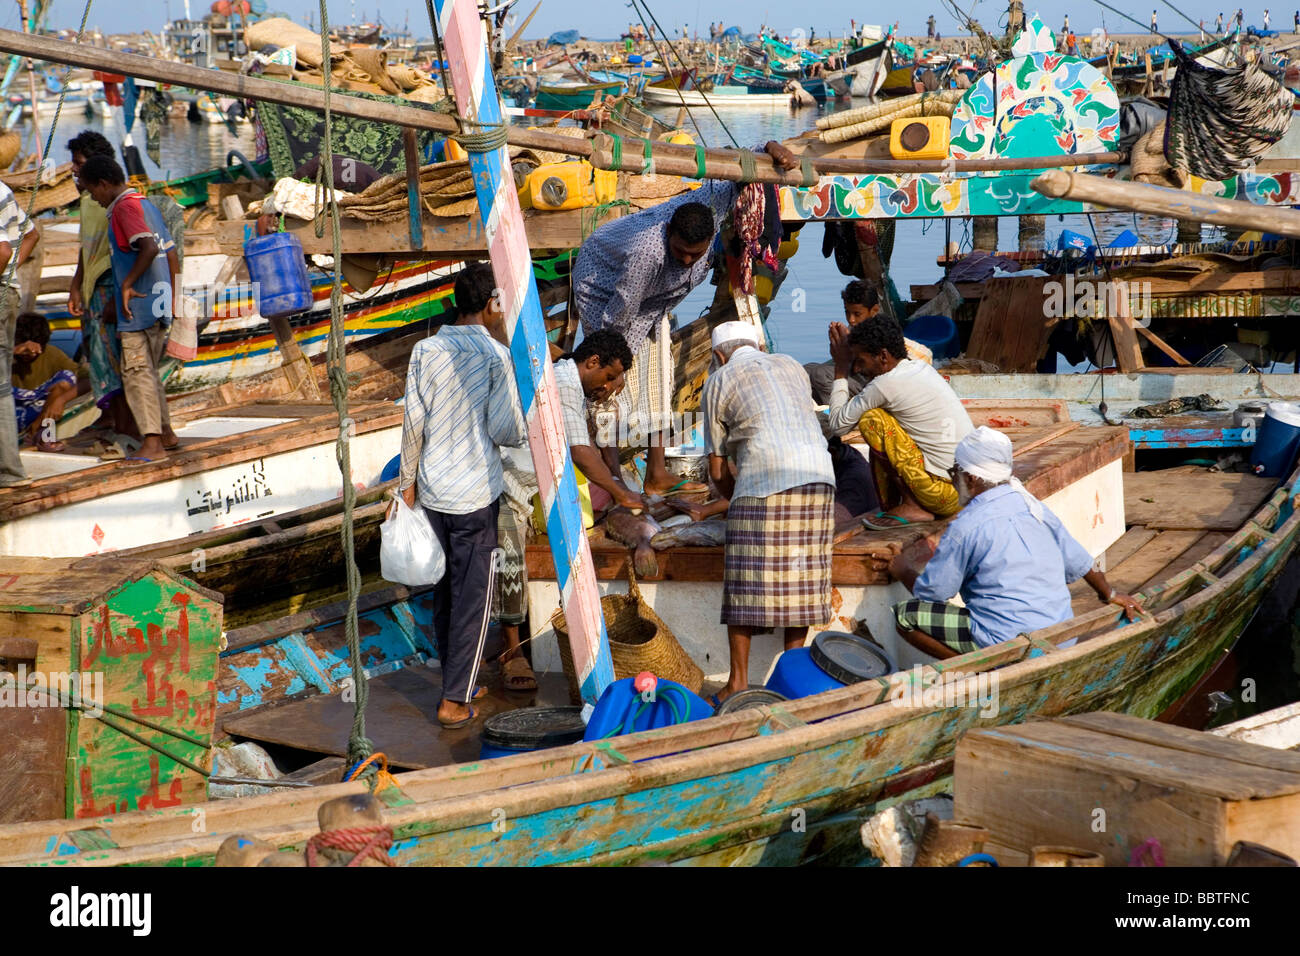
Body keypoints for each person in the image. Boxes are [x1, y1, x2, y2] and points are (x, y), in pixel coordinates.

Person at [571, 138, 799, 496]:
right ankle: (613, 476)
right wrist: (619, 367)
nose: (689, 260)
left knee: (660, 371)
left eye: (697, 254)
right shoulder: (647, 253)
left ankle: (656, 474)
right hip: (603, 282)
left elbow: (747, 159)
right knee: (610, 378)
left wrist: (773, 146)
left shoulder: (716, 203)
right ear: (668, 236)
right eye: (681, 252)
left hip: (653, 298)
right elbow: (617, 321)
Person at [399, 262, 526, 728]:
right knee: (474, 600)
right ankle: (454, 701)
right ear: (492, 304)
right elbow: (506, 430)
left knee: (446, 593)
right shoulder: (496, 356)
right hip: (474, 494)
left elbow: (413, 423)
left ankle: (462, 683)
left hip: (432, 491)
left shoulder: (424, 350)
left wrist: (406, 485)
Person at [889, 427, 1144, 659]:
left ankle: (984, 667)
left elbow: (932, 594)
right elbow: (1081, 561)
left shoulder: (965, 527)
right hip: (1063, 636)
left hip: (1007, 641)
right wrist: (1110, 594)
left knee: (905, 615)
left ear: (970, 478)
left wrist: (903, 569)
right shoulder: (1033, 507)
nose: (953, 480)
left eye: (954, 472)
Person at [702, 321, 836, 701]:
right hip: (819, 478)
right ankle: (794, 673)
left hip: (763, 480)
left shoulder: (718, 379)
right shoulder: (791, 364)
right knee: (804, 581)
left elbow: (715, 469)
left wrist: (731, 497)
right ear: (757, 345)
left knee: (744, 582)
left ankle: (738, 681)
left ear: (718, 355)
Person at [80, 154, 180, 464]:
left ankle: (152, 443)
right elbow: (170, 252)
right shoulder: (147, 204)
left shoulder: (123, 208)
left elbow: (148, 247)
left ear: (104, 184)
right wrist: (171, 297)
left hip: (137, 306)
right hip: (157, 303)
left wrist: (126, 284)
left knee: (136, 373)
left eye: (92, 191)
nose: (93, 199)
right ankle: (165, 432)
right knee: (149, 372)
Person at [826, 313, 972, 524]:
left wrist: (841, 367)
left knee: (872, 420)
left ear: (883, 356)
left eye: (860, 361)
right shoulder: (918, 367)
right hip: (964, 491)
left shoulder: (885, 384)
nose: (856, 369)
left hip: (944, 496)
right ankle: (910, 502)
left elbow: (838, 426)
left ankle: (913, 506)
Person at [66, 131, 136, 458]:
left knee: (110, 361)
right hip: (92, 287)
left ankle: (122, 428)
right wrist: (76, 283)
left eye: (79, 165)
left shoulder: (112, 203)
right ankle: (108, 419)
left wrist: (115, 294)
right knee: (97, 359)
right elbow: (87, 248)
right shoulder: (87, 200)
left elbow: (120, 251)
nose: (74, 172)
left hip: (109, 287)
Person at [0, 179, 40, 488]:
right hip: (8, 292)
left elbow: (2, 251)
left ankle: (9, 472)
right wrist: (13, 269)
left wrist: (7, 267)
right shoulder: (3, 190)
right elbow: (31, 234)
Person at [11, 313, 84, 452]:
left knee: (65, 378)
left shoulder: (52, 355)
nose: (30, 354)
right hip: (11, 410)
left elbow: (89, 379)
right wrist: (13, 351)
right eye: (25, 350)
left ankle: (40, 433)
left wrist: (60, 400)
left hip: (40, 411)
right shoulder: (7, 355)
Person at [804, 280, 882, 405]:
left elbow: (866, 369)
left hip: (869, 385)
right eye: (847, 312)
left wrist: (846, 349)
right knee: (805, 370)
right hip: (852, 375)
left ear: (874, 310)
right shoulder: (856, 327)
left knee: (820, 374)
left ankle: (837, 411)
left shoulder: (878, 331)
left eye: (857, 314)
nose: (851, 320)